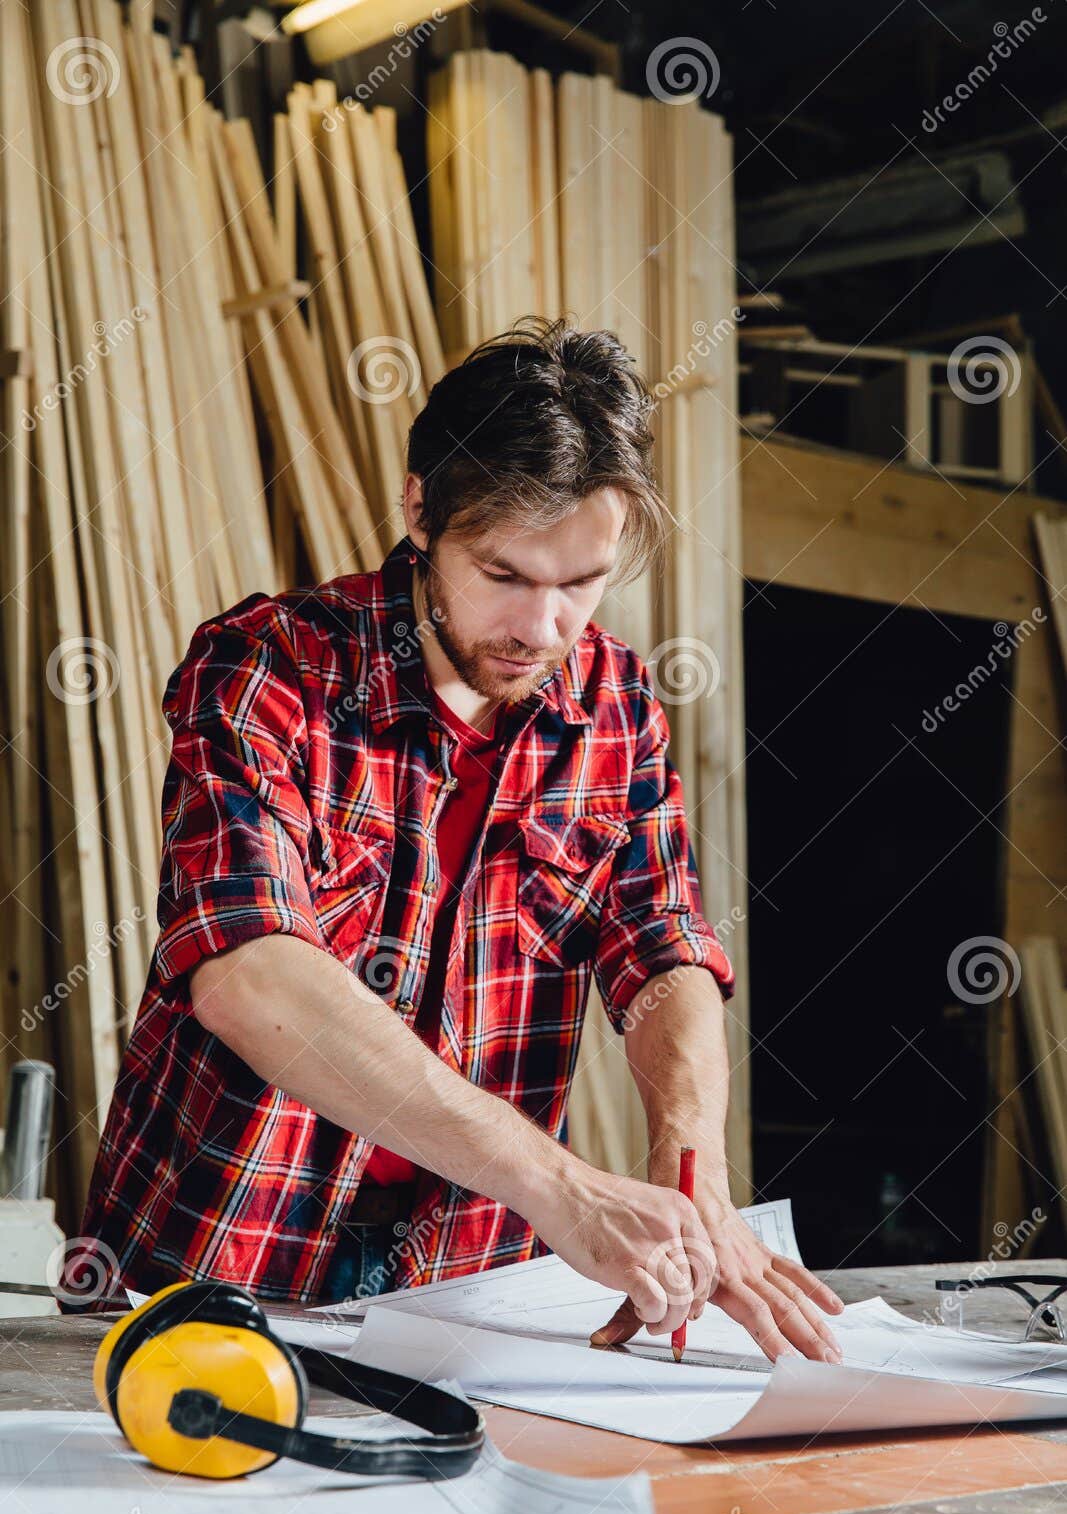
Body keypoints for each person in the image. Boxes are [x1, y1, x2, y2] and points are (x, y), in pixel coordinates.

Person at [67, 316, 843, 1364]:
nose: (543, 627)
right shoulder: (268, 669)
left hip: (464, 1292)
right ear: (420, 508)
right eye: (504, 573)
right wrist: (564, 1189)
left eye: (582, 581)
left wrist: (686, 1154)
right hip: (216, 1253)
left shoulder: (611, 703)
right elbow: (249, 974)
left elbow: (660, 945)